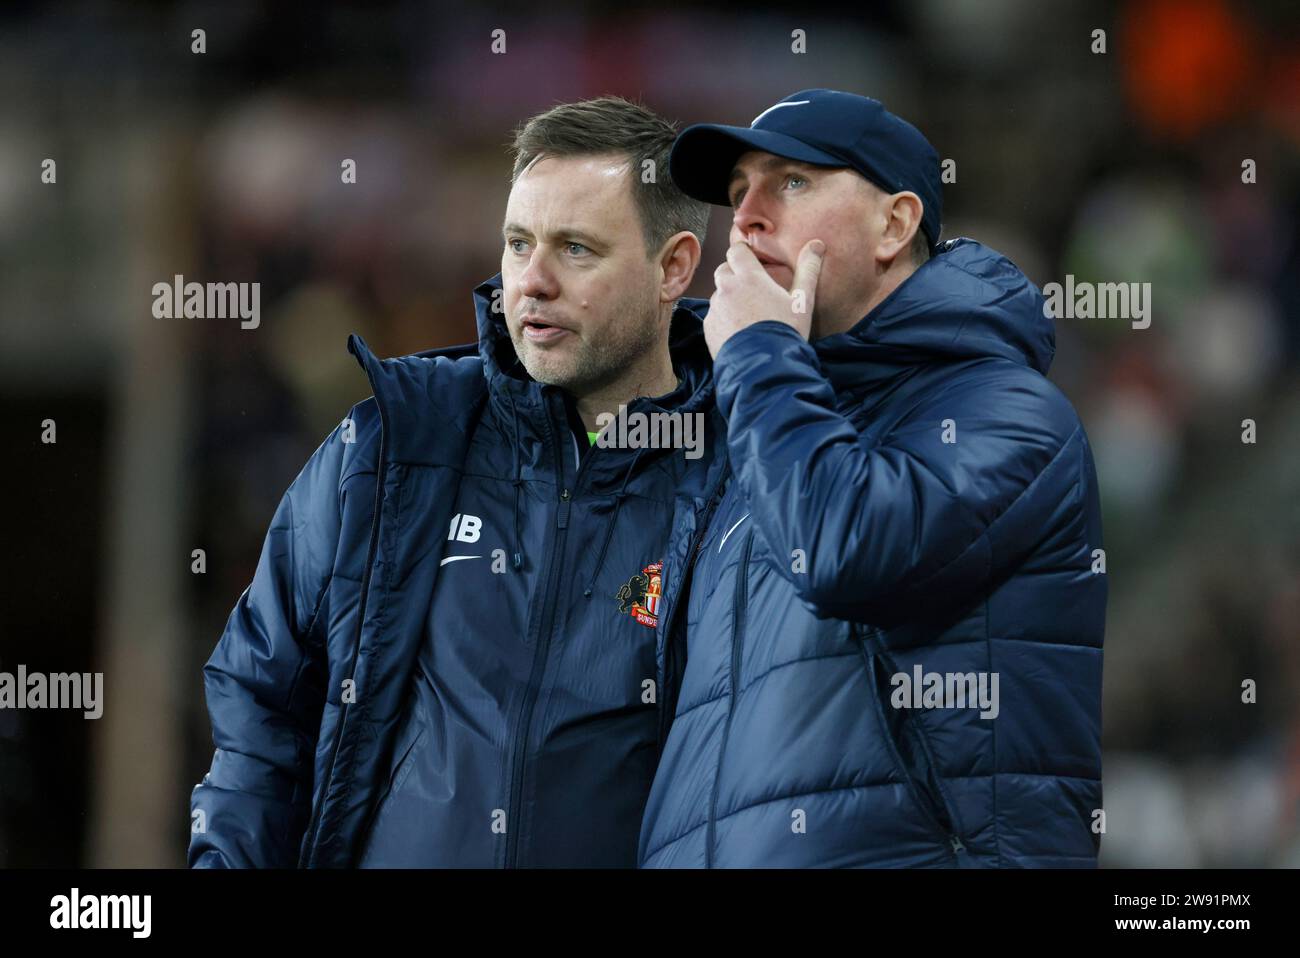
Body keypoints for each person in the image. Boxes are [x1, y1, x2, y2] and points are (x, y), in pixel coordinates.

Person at [188, 96, 727, 868]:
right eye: (518, 243)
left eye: (576, 249)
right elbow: (260, 697)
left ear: (673, 266)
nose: (531, 282)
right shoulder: (394, 446)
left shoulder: (740, 475)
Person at [638, 89, 1106, 868]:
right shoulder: (753, 429)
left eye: (791, 182)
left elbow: (842, 550)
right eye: (737, 192)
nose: (746, 218)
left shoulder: (1008, 411)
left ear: (894, 225)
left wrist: (759, 352)